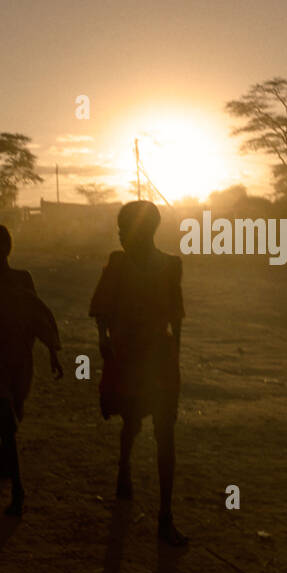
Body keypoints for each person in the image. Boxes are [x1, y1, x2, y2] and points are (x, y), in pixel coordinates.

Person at [89, 201, 187, 546]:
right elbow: (101, 309)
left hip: (158, 359)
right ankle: (125, 467)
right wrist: (104, 339)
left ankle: (165, 514)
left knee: (165, 435)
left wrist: (174, 357)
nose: (120, 235)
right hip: (129, 356)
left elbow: (176, 317)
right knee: (132, 422)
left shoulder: (170, 265)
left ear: (145, 231)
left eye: (124, 228)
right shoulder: (117, 264)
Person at [0, 224, 64, 516]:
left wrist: (53, 353)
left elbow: (38, 316)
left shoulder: (22, 279)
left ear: (4, 250)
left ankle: (5, 451)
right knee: (6, 417)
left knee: (13, 413)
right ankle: (18, 490)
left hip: (20, 360)